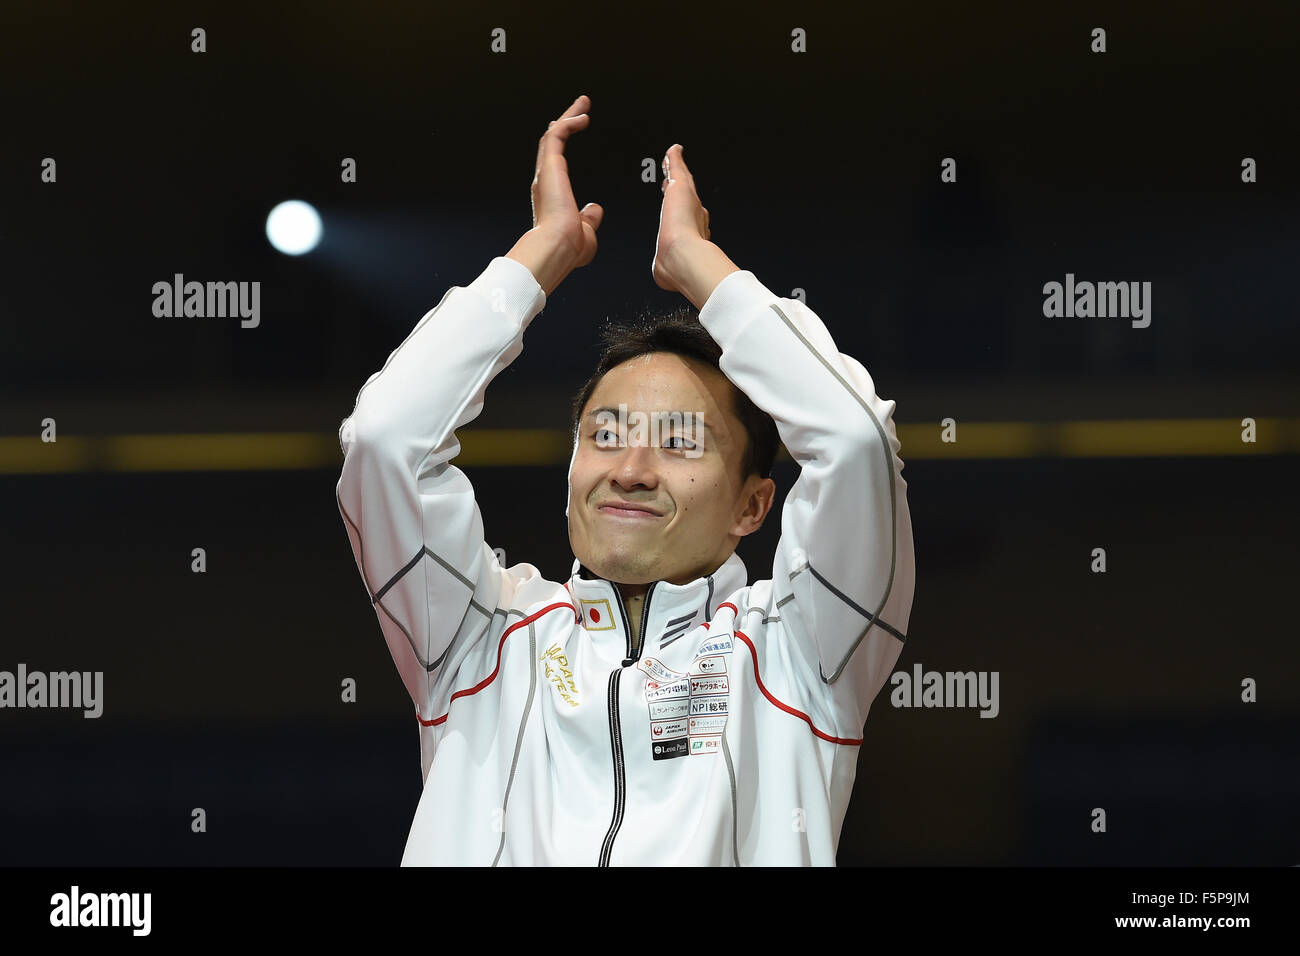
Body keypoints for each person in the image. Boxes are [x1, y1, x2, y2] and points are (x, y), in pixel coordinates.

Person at [335, 94, 916, 865]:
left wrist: (703, 270)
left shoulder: (802, 650)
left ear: (752, 503)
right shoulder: (477, 639)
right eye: (605, 435)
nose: (631, 470)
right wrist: (541, 253)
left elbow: (854, 437)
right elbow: (384, 437)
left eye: (680, 442)